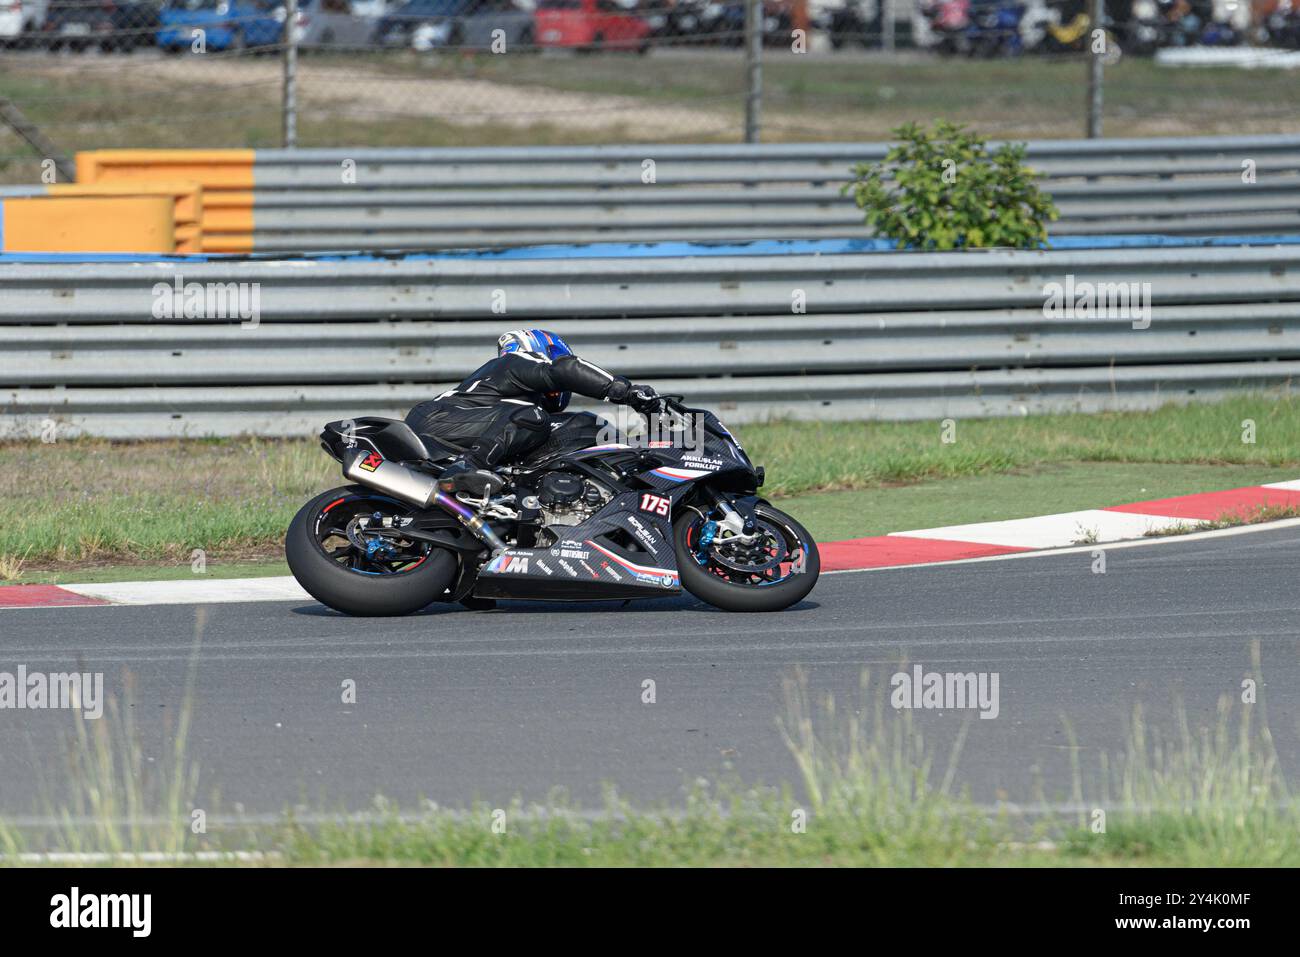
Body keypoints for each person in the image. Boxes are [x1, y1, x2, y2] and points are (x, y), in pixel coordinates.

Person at [405, 329, 661, 497]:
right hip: (441, 419)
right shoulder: (517, 362)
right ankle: (470, 466)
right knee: (534, 416)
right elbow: (563, 370)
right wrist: (625, 392)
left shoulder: (505, 397)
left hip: (448, 426)